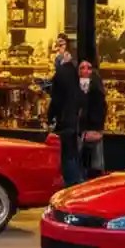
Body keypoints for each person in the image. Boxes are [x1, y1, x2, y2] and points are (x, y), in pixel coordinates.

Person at [48, 48, 82, 186]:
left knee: (66, 154)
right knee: (74, 153)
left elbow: (56, 99)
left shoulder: (60, 74)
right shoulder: (77, 72)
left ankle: (71, 184)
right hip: (77, 119)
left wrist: (50, 117)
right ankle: (77, 181)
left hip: (65, 119)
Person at [78, 60, 108, 178]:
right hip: (81, 133)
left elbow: (99, 108)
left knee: (92, 169)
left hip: (91, 132)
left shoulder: (95, 89)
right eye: (82, 68)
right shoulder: (77, 87)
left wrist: (94, 129)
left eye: (88, 68)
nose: (85, 71)